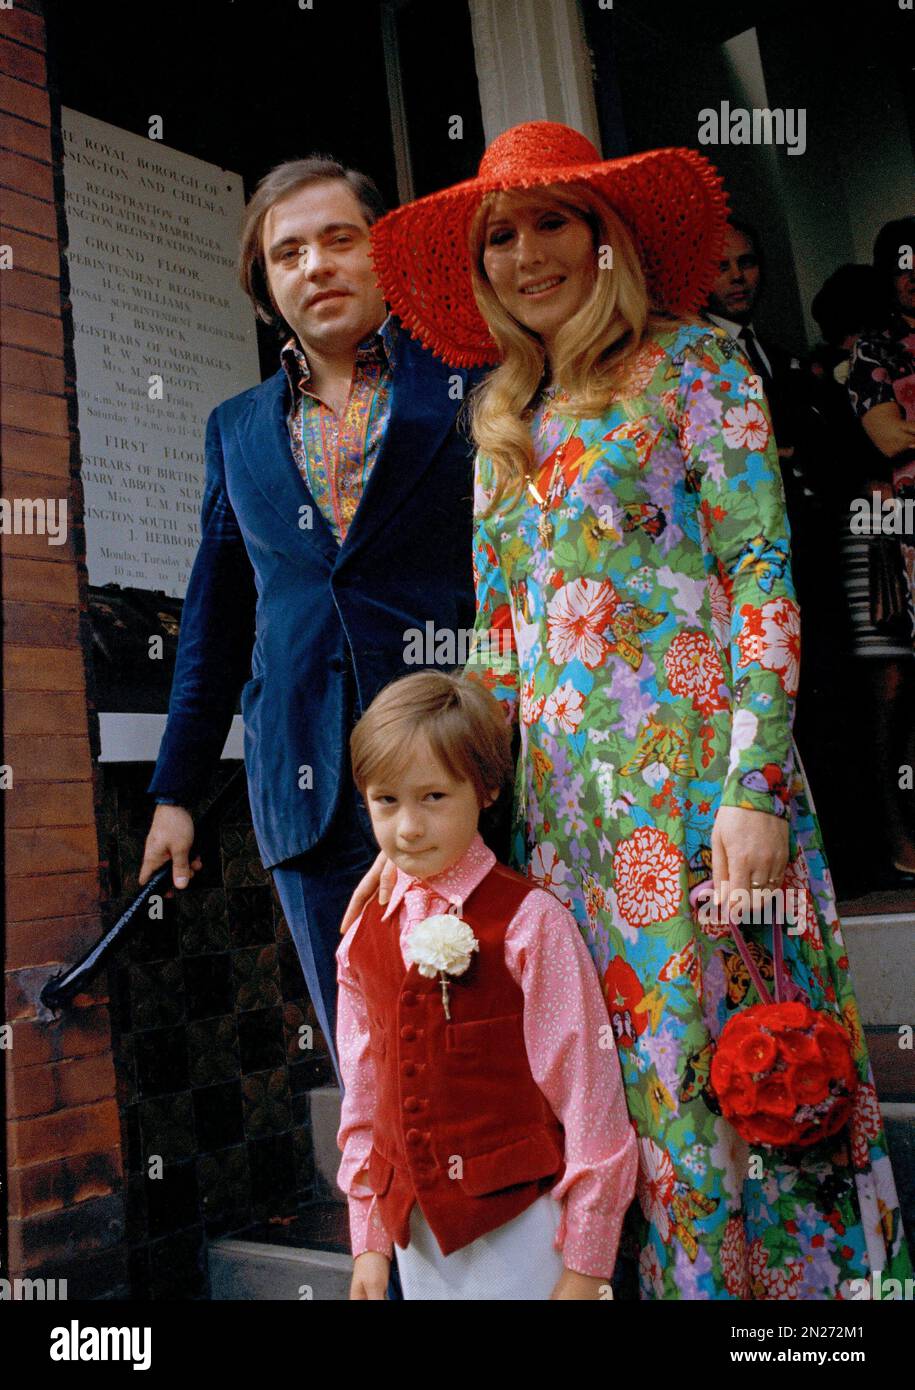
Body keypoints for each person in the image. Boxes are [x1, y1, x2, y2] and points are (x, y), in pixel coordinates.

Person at [351, 121, 913, 1298]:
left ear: (607, 236)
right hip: (562, 821)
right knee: (601, 1086)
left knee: (737, 1078)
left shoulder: (699, 362)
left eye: (551, 221)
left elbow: (763, 570)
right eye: (499, 235)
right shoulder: (503, 416)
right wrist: (461, 835)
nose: (524, 253)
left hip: (702, 788)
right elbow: (496, 648)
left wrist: (755, 785)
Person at [137, 157, 480, 1085]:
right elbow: (214, 620)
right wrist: (175, 793)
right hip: (309, 782)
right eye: (288, 251)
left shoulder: (466, 379)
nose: (316, 265)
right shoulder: (234, 428)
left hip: (465, 762)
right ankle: (398, 1237)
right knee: (373, 1062)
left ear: (386, 253)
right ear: (266, 283)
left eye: (340, 239)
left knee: (490, 1049)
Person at [337, 670, 638, 1300]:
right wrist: (368, 1242)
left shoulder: (531, 922)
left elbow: (588, 1092)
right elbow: (364, 1099)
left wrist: (586, 1262)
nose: (409, 828)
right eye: (386, 801)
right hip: (415, 1238)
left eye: (434, 797)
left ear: (486, 790)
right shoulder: (362, 935)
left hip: (522, 1228)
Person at [846, 217, 915, 882]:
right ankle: (896, 837)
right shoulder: (877, 349)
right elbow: (889, 437)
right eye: (901, 263)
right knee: (895, 694)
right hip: (901, 545)